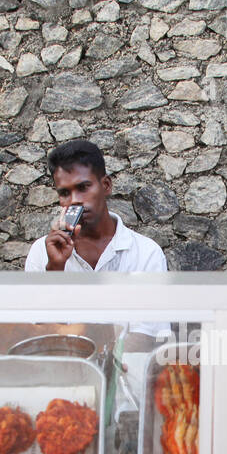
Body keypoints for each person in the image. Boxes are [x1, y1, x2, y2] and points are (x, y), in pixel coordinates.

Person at [25, 139, 170, 340]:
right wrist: (55, 270)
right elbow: (39, 336)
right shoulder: (42, 252)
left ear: (106, 185)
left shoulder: (145, 253)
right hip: (69, 368)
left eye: (83, 187)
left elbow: (148, 338)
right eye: (65, 193)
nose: (74, 200)